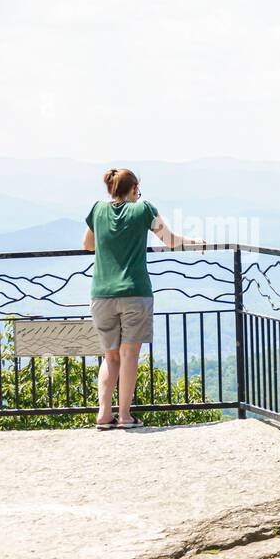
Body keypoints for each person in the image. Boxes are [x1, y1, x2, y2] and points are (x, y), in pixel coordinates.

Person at [83, 168, 202, 429]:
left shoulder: (97, 210)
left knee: (110, 356)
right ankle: (125, 416)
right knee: (129, 355)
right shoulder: (144, 209)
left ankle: (104, 414)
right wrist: (197, 242)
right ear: (134, 187)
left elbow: (88, 245)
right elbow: (170, 240)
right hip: (135, 293)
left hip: (101, 293)